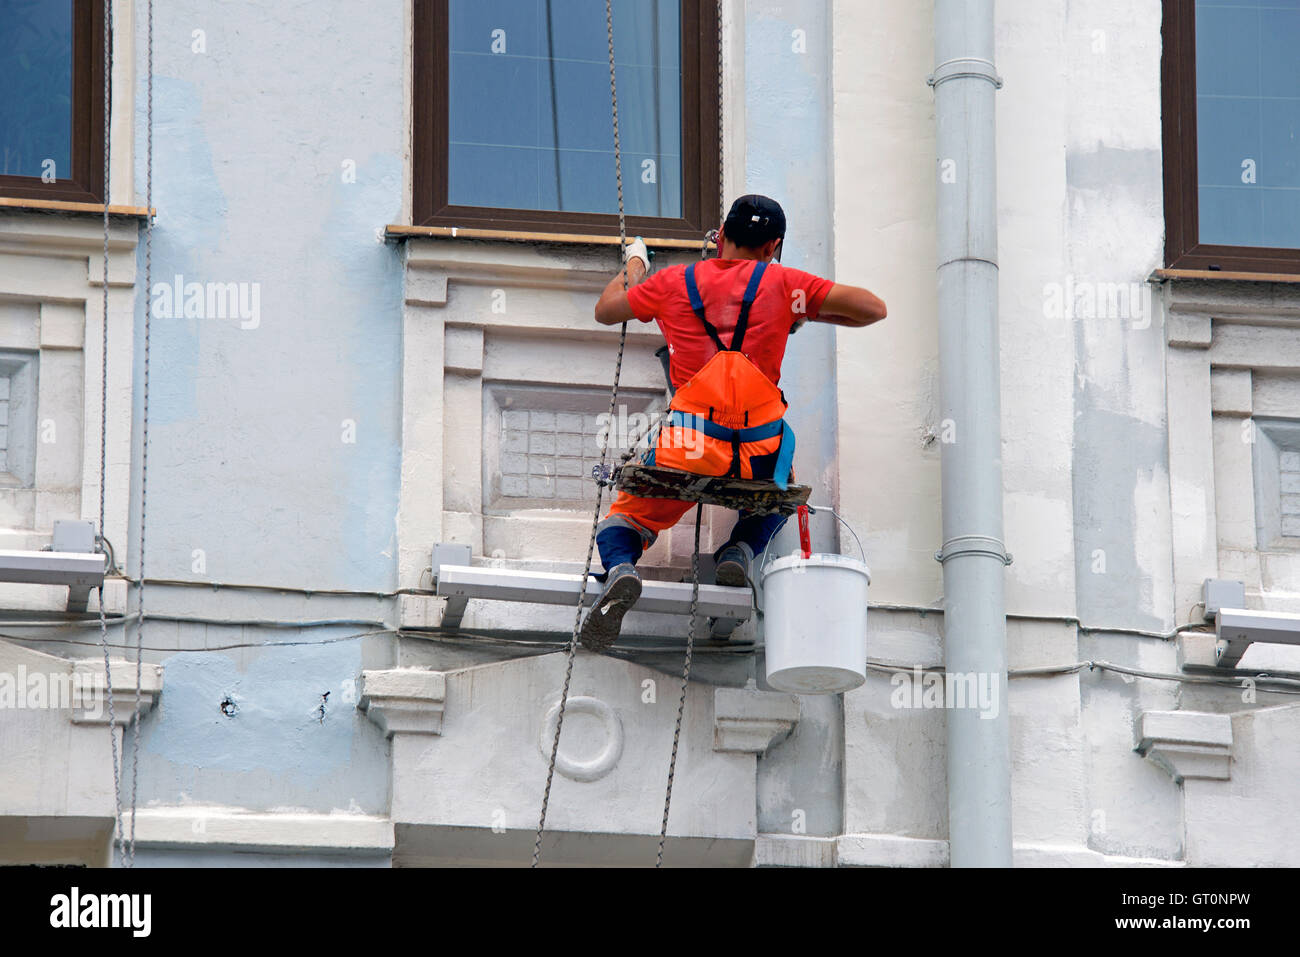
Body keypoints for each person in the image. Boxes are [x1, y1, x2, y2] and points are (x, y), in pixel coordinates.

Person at [580, 194, 887, 650]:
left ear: (721, 236)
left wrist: (635, 266)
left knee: (627, 515)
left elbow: (606, 310)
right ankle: (739, 553)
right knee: (780, 496)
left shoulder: (673, 283)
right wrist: (805, 310)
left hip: (690, 446)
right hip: (757, 452)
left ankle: (621, 568)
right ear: (772, 247)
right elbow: (873, 308)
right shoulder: (784, 283)